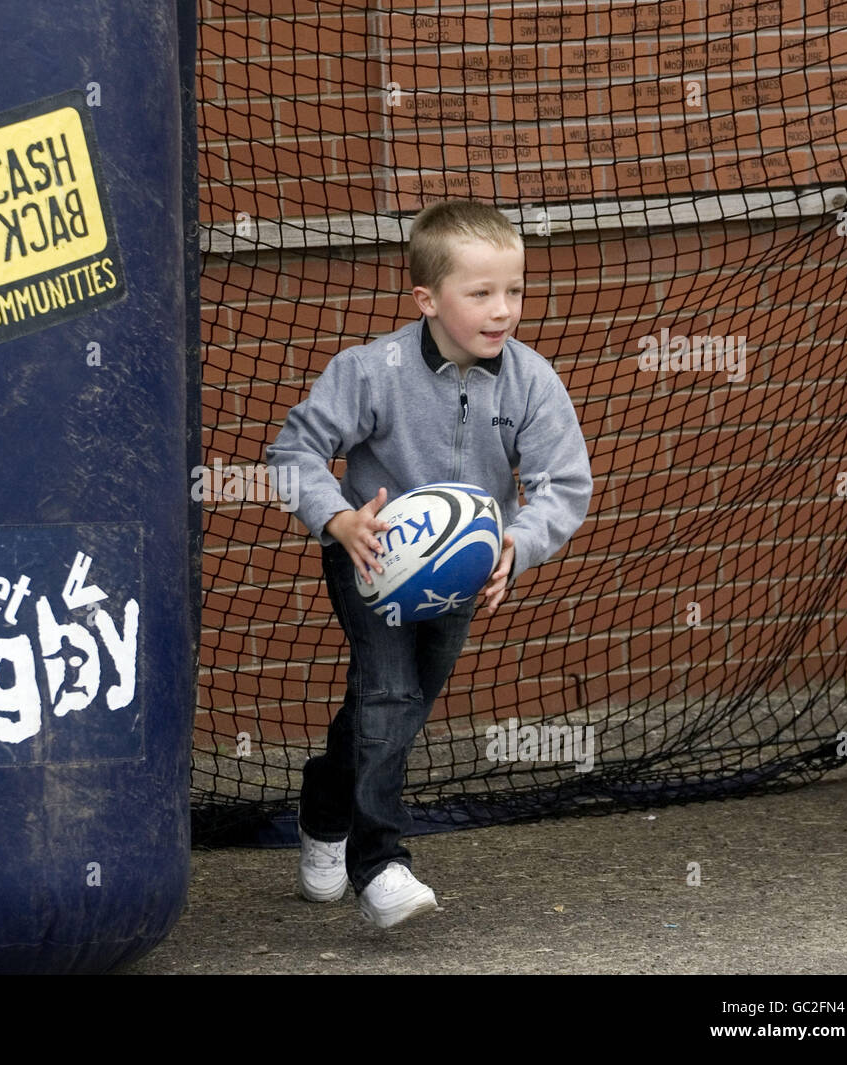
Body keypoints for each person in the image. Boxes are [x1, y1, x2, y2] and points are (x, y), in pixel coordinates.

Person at [266, 199, 593, 928]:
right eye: (480, 293)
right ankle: (380, 864)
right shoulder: (369, 372)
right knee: (386, 694)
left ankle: (325, 809)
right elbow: (291, 456)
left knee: (397, 706)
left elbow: (564, 483)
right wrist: (340, 517)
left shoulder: (530, 381)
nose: (502, 309)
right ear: (426, 299)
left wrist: (517, 541)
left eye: (513, 290)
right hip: (372, 557)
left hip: (463, 572)